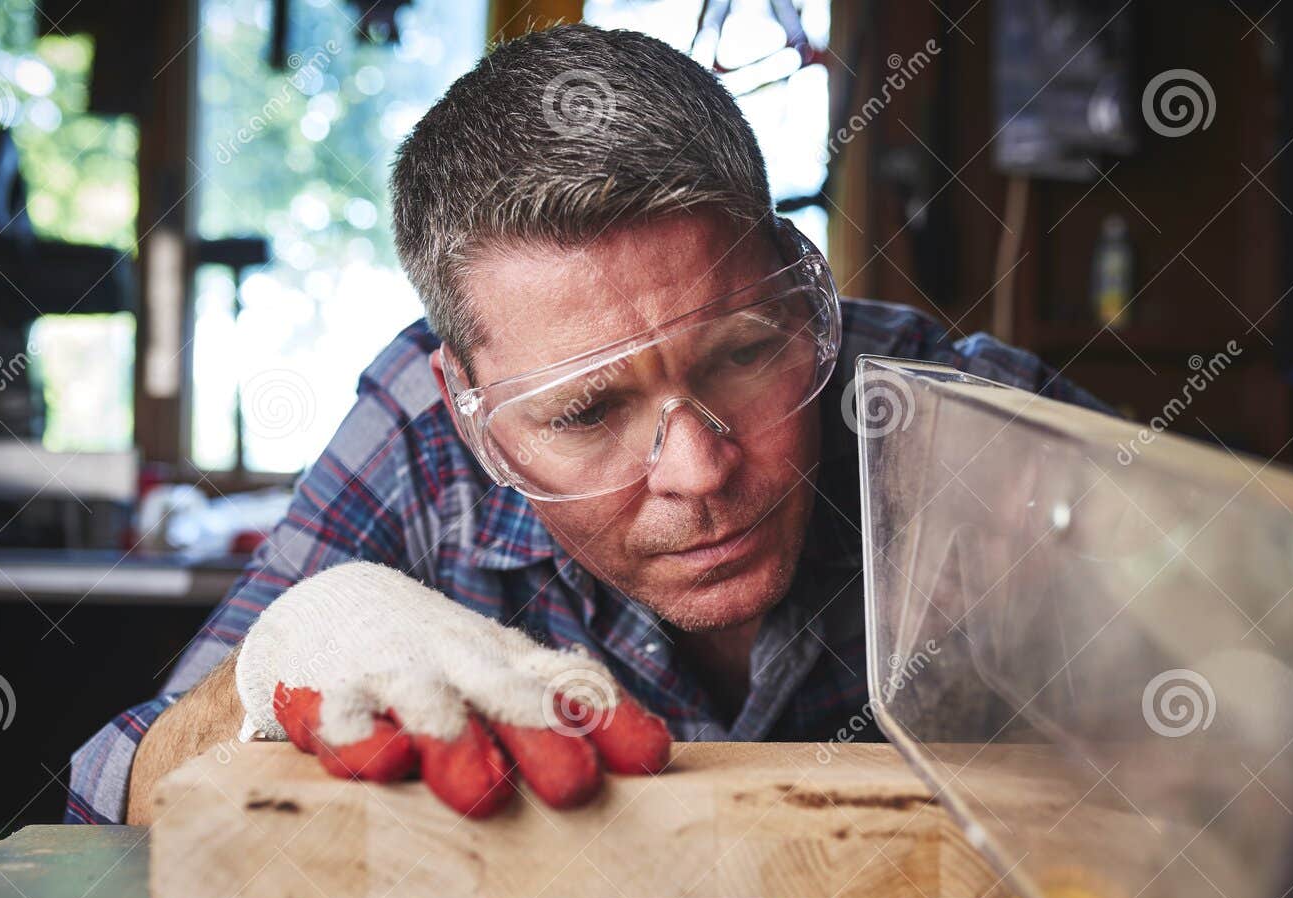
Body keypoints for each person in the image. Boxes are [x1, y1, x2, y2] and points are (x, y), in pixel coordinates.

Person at [67, 23, 1099, 825]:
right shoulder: (418, 437)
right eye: (586, 410)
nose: (697, 470)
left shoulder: (950, 414)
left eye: (742, 354)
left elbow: (1256, 700)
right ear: (471, 409)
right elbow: (110, 793)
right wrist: (264, 680)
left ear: (798, 292)